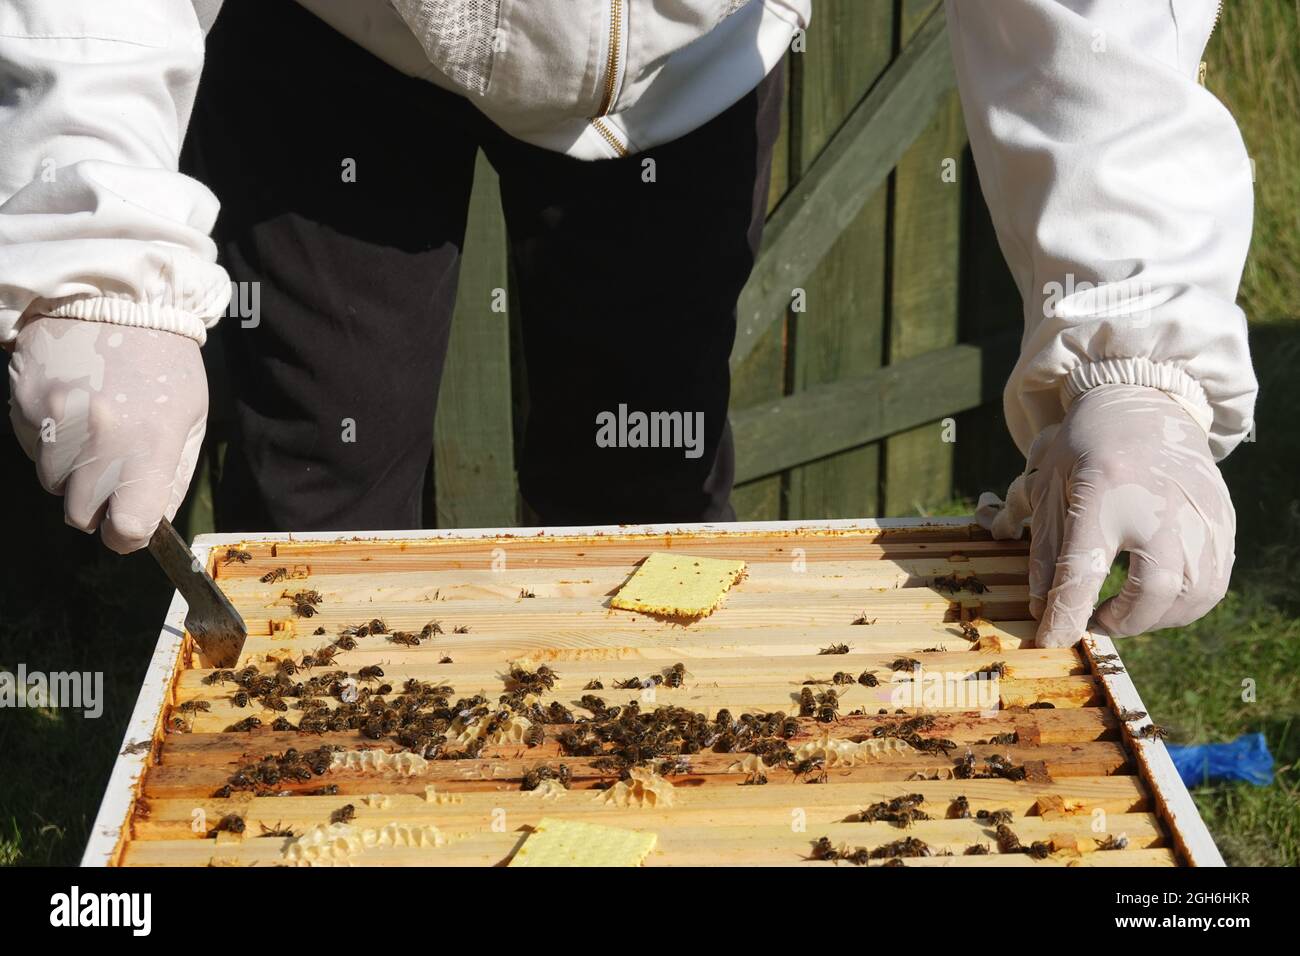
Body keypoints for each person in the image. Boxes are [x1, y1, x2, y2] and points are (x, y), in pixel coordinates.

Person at [0, 0, 1254, 648]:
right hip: (335, 39)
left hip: (683, 64)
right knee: (318, 484)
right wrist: (91, 253)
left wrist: (1134, 351)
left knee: (641, 504)